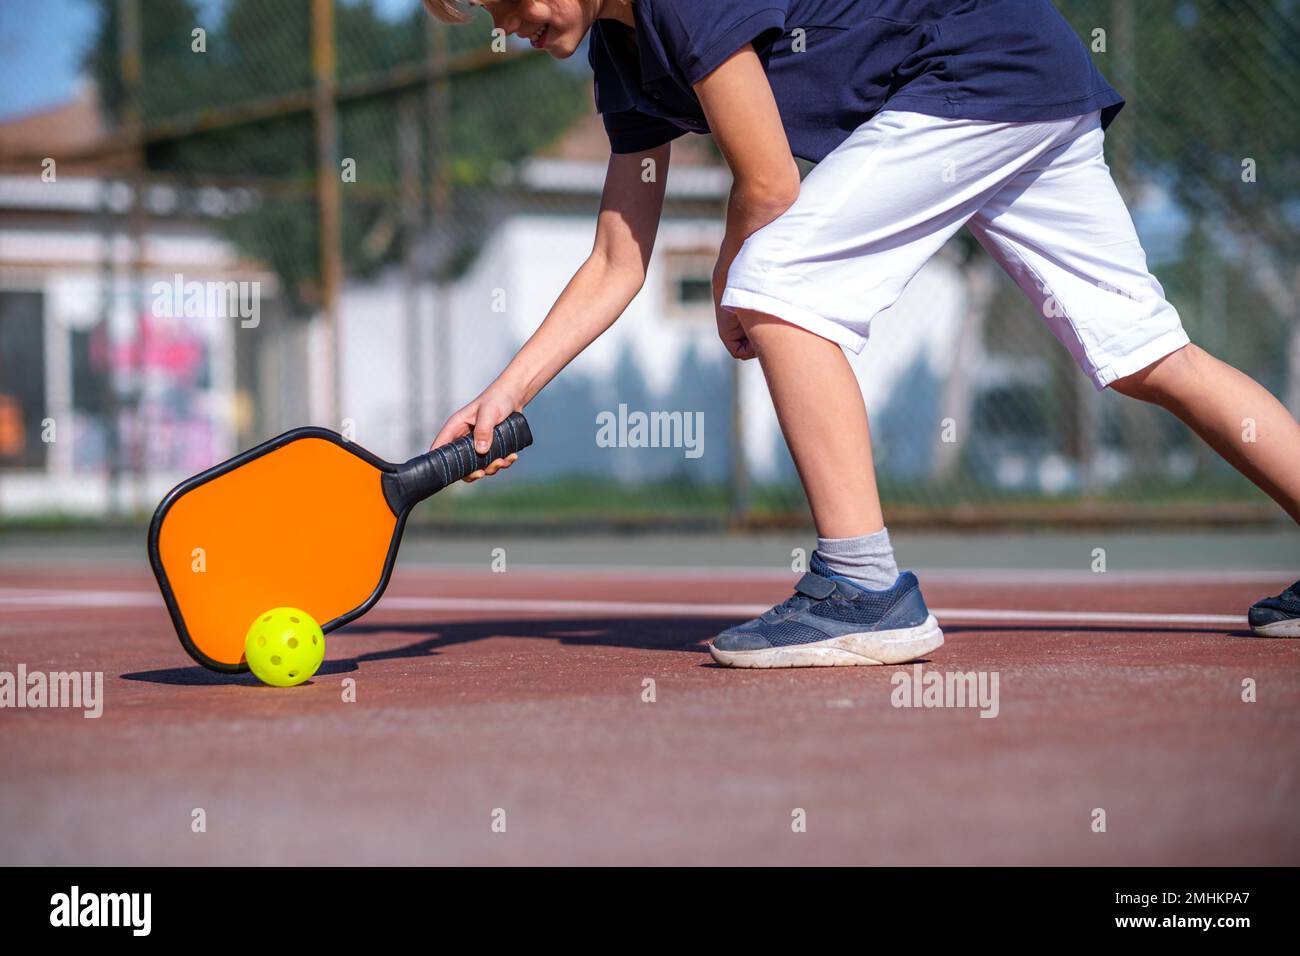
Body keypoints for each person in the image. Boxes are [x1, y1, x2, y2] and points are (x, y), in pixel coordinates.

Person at [423, 0, 1300, 664]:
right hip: (1027, 71)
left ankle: (863, 586)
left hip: (974, 68)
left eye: (506, 0)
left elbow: (769, 185)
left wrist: (737, 282)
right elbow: (619, 258)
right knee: (1149, 354)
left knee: (780, 278)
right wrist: (508, 392)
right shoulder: (625, 60)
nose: (506, 25)